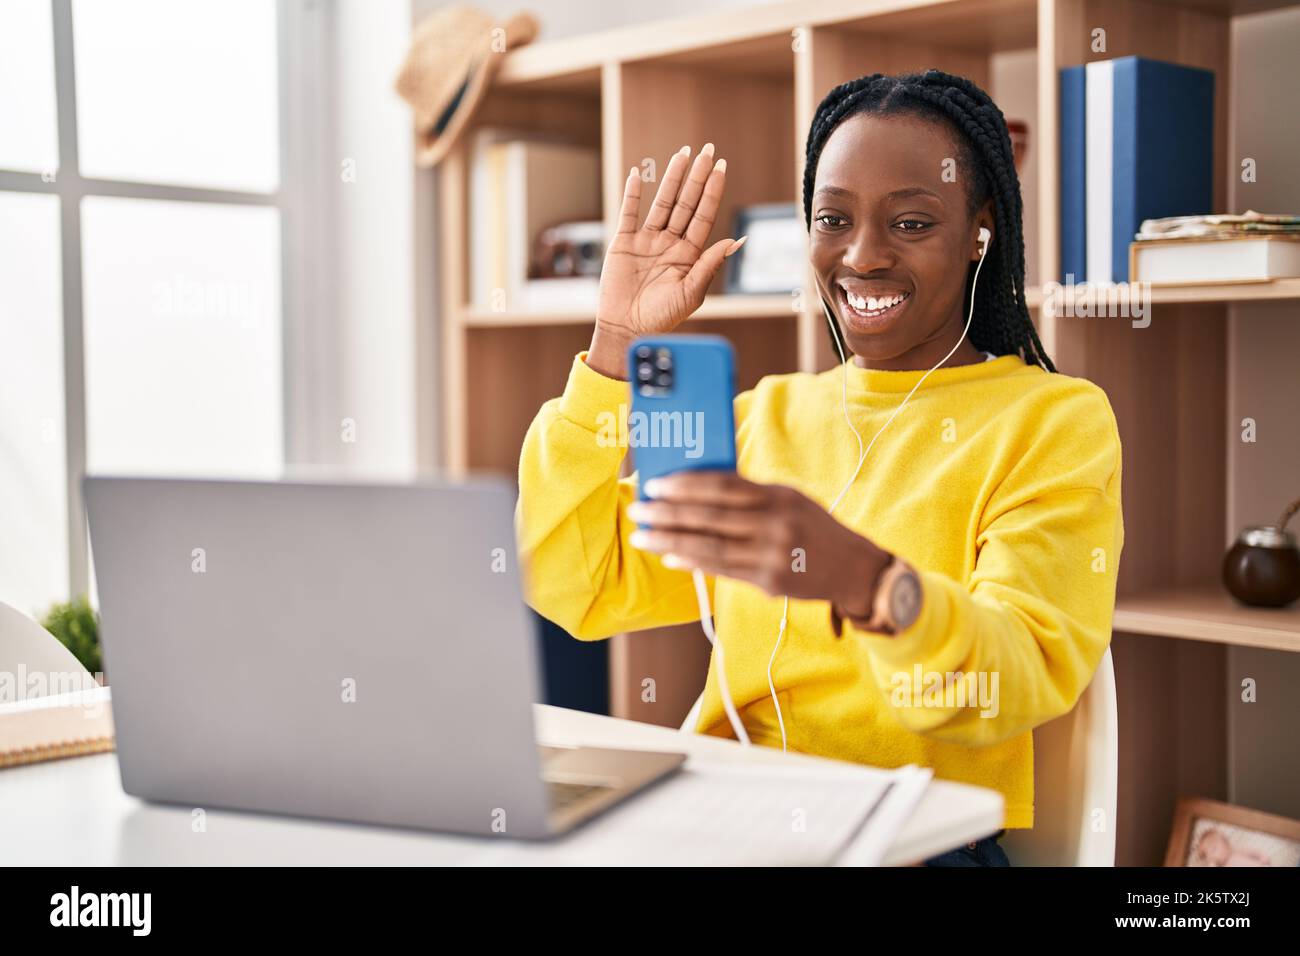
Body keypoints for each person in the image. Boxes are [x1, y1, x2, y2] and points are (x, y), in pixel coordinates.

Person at [515, 71, 1124, 867]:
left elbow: (1011, 678)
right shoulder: (763, 417)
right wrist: (613, 350)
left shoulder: (1054, 422)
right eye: (833, 219)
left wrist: (867, 584)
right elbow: (574, 578)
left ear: (981, 232)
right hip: (728, 814)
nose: (862, 257)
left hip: (916, 838)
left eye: (910, 221)